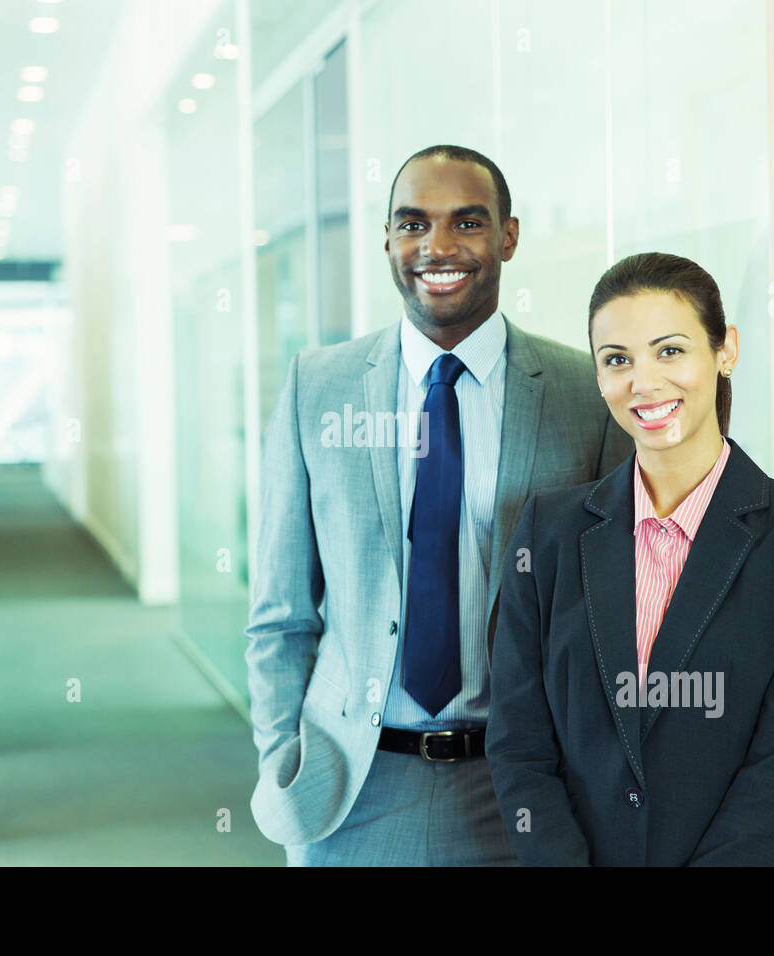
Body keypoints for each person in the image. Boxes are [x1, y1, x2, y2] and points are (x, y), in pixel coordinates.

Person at [245, 145, 633, 866]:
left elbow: (613, 620)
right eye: (413, 223)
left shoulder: (588, 399)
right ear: (388, 239)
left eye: (468, 223)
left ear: (508, 237)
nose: (439, 247)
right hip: (350, 790)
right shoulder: (317, 388)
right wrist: (283, 755)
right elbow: (280, 615)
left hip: (518, 788)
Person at [485, 252, 774, 865]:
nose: (645, 382)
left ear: (725, 350)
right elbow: (519, 746)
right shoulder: (548, 533)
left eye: (671, 350)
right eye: (617, 360)